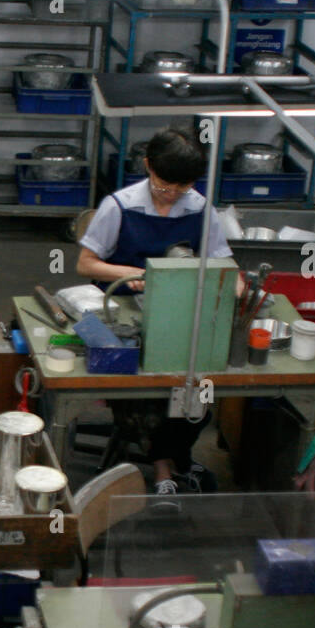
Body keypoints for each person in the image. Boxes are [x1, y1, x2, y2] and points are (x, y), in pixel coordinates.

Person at [76, 127, 234, 502]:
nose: (174, 194)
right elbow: (86, 264)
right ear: (147, 166)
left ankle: (173, 457)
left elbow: (222, 261)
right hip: (125, 315)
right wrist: (133, 274)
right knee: (150, 390)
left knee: (198, 390)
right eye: (165, 185)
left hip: (179, 316)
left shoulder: (200, 208)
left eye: (183, 186)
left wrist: (234, 286)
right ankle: (166, 465)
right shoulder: (120, 206)